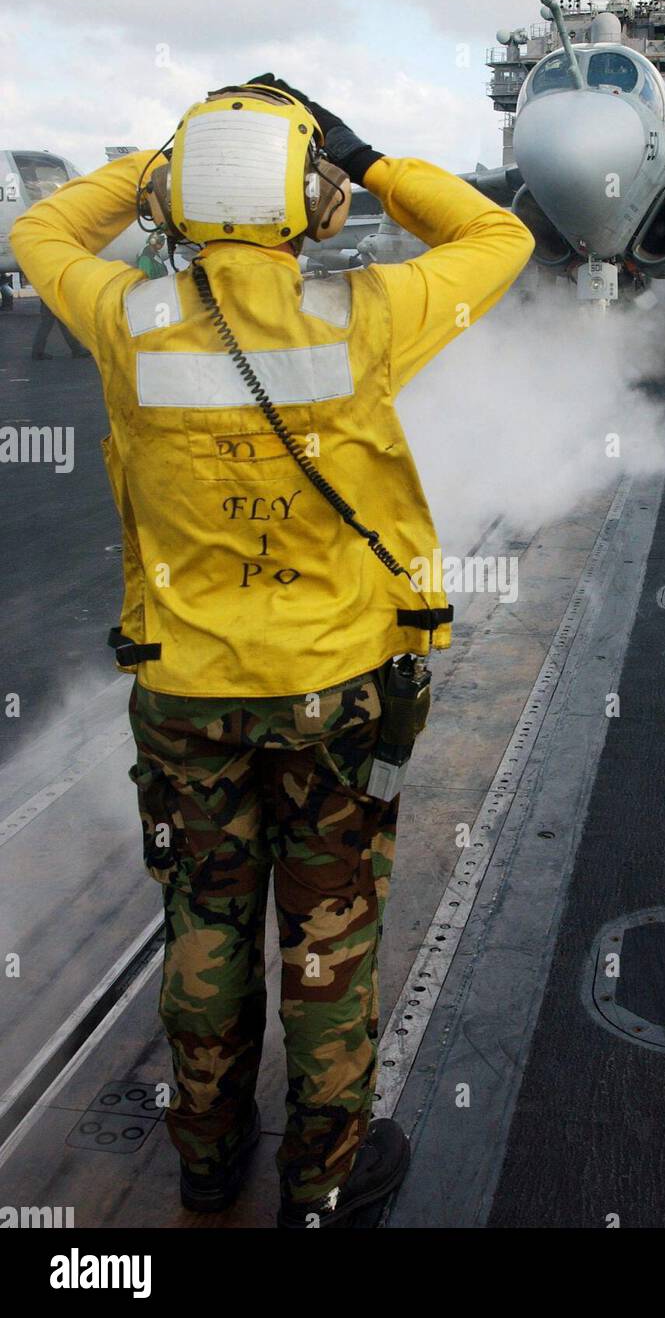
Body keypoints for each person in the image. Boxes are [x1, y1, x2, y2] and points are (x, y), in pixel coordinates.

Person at [12, 74, 534, 1229]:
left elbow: (41, 228)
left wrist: (157, 165)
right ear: (319, 203)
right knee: (327, 936)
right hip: (335, 692)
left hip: (184, 694)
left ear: (171, 199)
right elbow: (500, 235)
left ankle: (206, 1157)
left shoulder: (125, 321)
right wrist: (372, 154)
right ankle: (325, 1177)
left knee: (203, 920)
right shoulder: (366, 316)